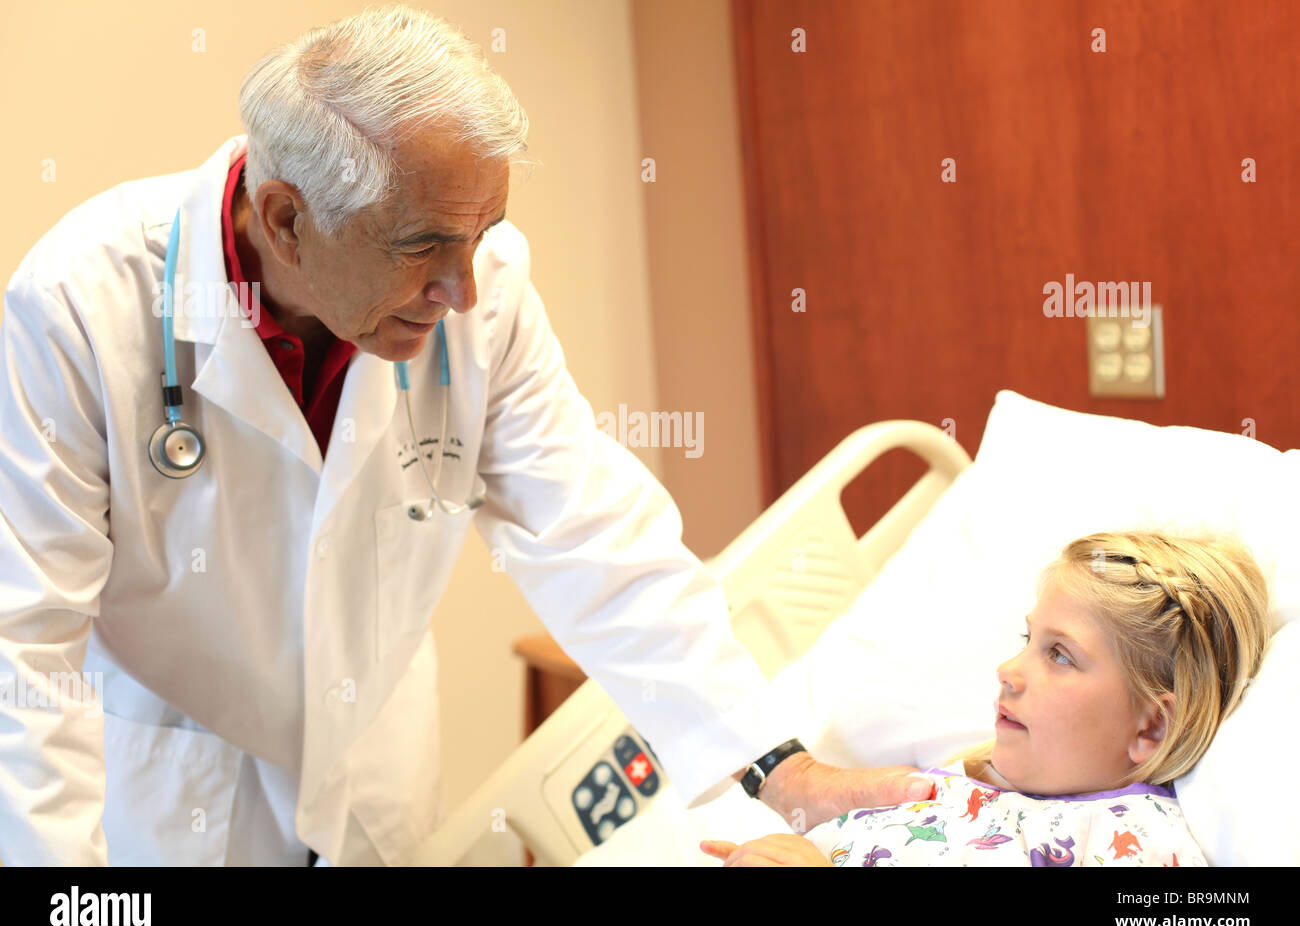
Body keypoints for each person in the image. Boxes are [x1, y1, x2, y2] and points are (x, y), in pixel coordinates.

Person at [0, 5, 922, 866]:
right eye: (422, 245)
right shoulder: (85, 305)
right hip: (174, 785)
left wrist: (775, 768)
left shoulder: (486, 293)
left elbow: (589, 534)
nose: (466, 290)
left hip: (372, 759)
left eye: (483, 234)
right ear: (286, 219)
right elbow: (23, 643)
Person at [701, 530, 1273, 866]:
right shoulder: (942, 788)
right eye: (1028, 641)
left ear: (1149, 728)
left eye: (1060, 655)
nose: (1007, 671)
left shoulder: (1134, 838)